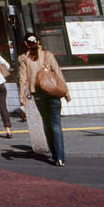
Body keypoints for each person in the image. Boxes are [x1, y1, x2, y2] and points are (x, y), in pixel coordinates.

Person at [18, 34, 69, 166]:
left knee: (47, 124)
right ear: (38, 42)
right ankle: (60, 157)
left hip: (39, 94)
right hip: (53, 92)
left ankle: (54, 154)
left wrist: (22, 97)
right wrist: (66, 93)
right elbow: (58, 73)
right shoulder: (48, 55)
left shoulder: (24, 58)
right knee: (56, 125)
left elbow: (22, 79)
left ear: (25, 44)